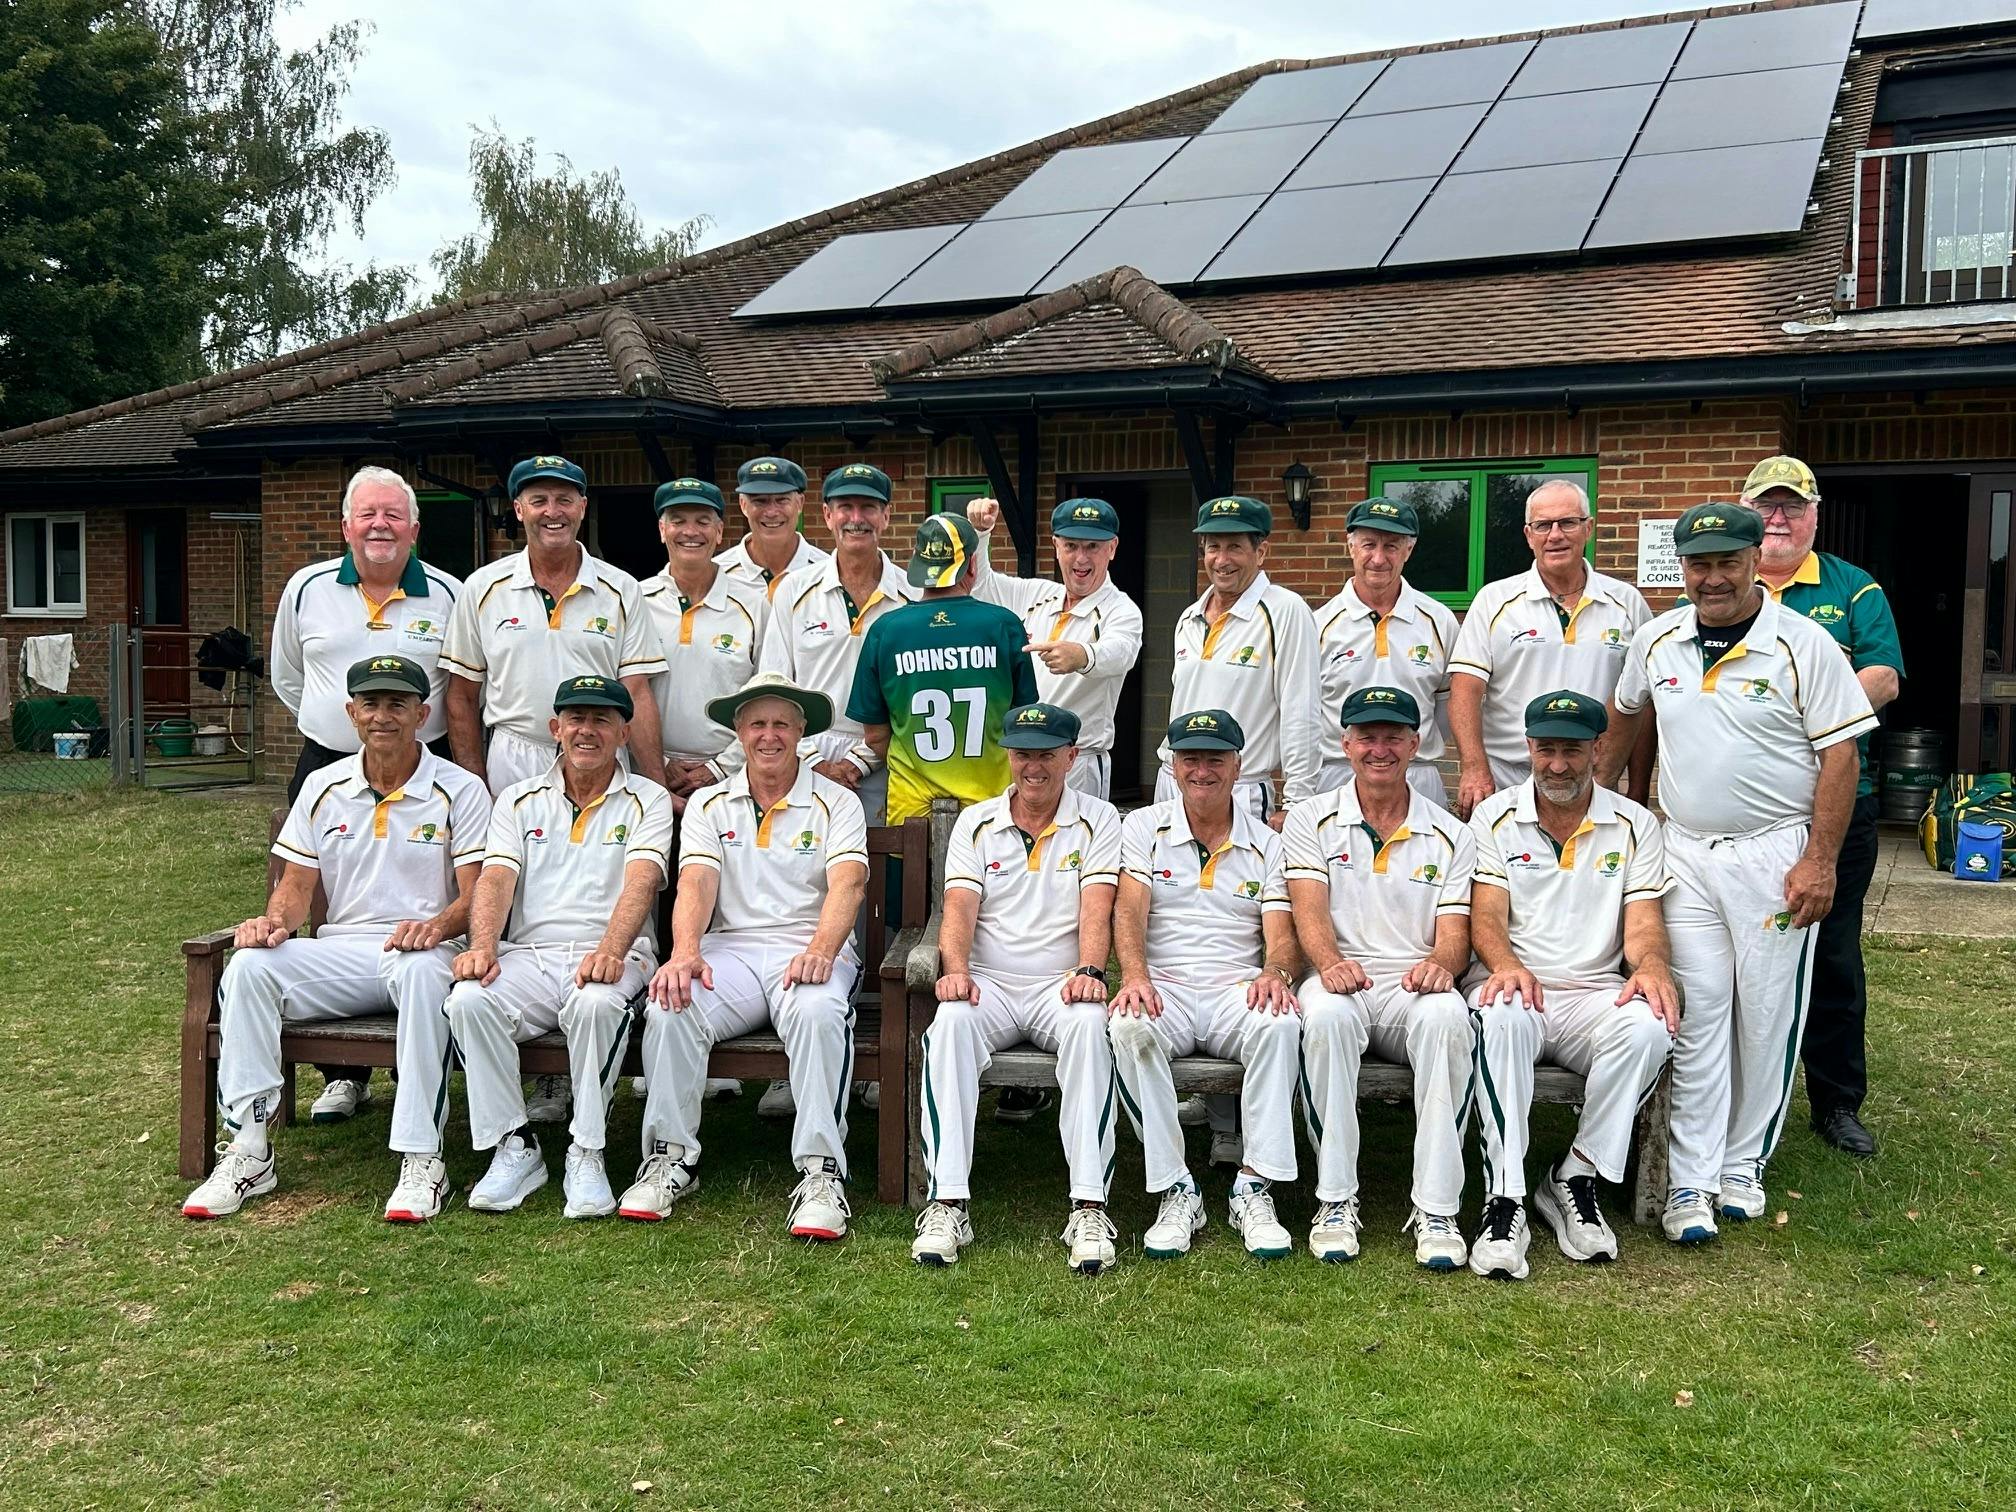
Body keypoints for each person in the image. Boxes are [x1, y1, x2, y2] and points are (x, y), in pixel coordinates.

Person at [1599, 504, 1876, 1245]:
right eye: (1699, 564)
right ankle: (1690, 1180)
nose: (1712, 578)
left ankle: (1740, 1164)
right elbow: (1627, 713)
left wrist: (1819, 859)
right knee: (1697, 1014)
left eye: (1727, 562)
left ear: (1756, 560)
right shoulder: (1658, 637)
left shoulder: (1804, 644)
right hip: (1685, 850)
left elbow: (1840, 756)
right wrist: (1614, 801)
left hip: (1772, 855)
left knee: (1764, 1016)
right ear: (1682, 566)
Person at [181, 655, 490, 1223]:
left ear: (422, 714)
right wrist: (272, 923)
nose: (382, 716)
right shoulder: (323, 786)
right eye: (370, 704)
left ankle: (423, 1158)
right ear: (351, 713)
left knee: (423, 973)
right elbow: (295, 887)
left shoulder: (460, 789)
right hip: (343, 952)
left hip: (426, 952)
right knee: (249, 967)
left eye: (398, 704)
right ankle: (250, 1148)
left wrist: (438, 927)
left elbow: (477, 895)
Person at [622, 673, 868, 1241]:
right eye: (757, 723)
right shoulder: (710, 802)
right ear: (738, 730)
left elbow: (848, 885)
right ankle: (669, 1160)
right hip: (728, 951)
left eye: (782, 723)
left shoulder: (837, 802)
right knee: (670, 1002)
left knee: (816, 1010)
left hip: (806, 948)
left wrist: (821, 950)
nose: (769, 735)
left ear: (802, 731)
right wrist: (684, 952)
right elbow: (696, 883)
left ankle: (821, 1173)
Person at [269, 465, 465, 1121]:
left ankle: (420, 1055)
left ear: (414, 526)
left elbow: (463, 686)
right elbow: (289, 678)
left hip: (423, 759)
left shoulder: (447, 594)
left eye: (392, 515)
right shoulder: (306, 589)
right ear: (346, 525)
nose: (379, 525)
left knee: (427, 907)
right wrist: (343, 732)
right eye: (367, 514)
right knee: (318, 913)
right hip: (329, 758)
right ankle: (342, 1072)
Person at [1466, 690, 1679, 1281]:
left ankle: (1573, 1176)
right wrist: (1506, 964)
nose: (1557, 764)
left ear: (1598, 749)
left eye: (1572, 750)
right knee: (1501, 1013)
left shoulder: (1635, 824)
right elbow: (1485, 917)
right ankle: (1503, 1199)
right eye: (1546, 749)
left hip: (1592, 994)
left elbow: (1642, 924)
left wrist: (1653, 965)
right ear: (1528, 748)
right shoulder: (1495, 816)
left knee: (1650, 1024)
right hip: (1517, 984)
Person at [444, 675, 673, 1219]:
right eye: (576, 719)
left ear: (624, 732)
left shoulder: (649, 798)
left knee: (597, 1002)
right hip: (531, 955)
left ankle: (586, 1151)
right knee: (469, 999)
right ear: (556, 728)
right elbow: (496, 880)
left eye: (601, 720)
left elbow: (641, 881)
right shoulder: (518, 800)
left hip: (619, 954)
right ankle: (514, 1147)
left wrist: (611, 950)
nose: (586, 730)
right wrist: (483, 948)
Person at [911, 702, 1123, 1272]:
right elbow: (958, 908)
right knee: (949, 1026)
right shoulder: (976, 823)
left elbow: (1096, 907)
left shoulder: (1100, 820)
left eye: (1047, 754)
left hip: (1061, 985)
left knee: (1089, 1027)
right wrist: (954, 970)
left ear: (1071, 757)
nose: (1034, 766)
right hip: (992, 986)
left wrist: (1089, 971)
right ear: (1009, 756)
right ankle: (946, 1201)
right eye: (1024, 753)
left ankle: (1089, 1205)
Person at [1744, 454, 1903, 1159]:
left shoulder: (1853, 589)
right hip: (1747, 818)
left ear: (1814, 515)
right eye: (1766, 506)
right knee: (1737, 957)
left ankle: (1836, 1103)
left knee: (1832, 955)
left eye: (1792, 506)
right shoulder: (1720, 583)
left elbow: (1883, 678)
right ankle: (1736, 1091)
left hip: (1840, 808)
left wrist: (1801, 716)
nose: (1778, 518)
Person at [1284, 687, 1476, 1267]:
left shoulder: (1452, 833)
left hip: (1414, 985)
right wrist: (1329, 963)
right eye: (1367, 736)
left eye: (1393, 736)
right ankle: (1336, 1199)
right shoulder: (1309, 820)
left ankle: (1437, 1207)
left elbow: (1455, 934)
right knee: (1324, 1021)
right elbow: (1308, 911)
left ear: (1416, 744)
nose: (1380, 749)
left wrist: (1441, 966)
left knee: (1448, 1018)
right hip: (1338, 974)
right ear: (1346, 744)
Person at [1109, 709, 1303, 1260]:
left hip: (1232, 989)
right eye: (1190, 758)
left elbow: (1282, 936)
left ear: (1238, 765)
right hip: (1163, 986)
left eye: (1214, 757)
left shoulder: (1268, 843)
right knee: (1126, 1026)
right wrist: (1137, 976)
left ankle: (1254, 1185)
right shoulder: (1142, 828)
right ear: (1172, 765)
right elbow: (1129, 911)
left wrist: (1276, 974)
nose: (1202, 769)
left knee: (1281, 1022)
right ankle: (1176, 1190)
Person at [754, 462, 911, 1120]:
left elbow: (908, 698)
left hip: (890, 768)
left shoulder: (910, 597)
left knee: (890, 905)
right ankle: (800, 1055)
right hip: (808, 767)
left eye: (868, 508)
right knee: (815, 897)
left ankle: (880, 1055)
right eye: (844, 508)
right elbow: (774, 688)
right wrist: (816, 758)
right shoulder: (793, 593)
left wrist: (865, 763)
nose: (855, 519)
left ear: (885, 517)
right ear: (826, 516)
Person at [440, 454, 668, 797]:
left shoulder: (622, 589)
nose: (553, 512)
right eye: (539, 501)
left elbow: (636, 692)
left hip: (600, 751)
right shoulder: (482, 588)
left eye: (564, 500)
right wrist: (473, 789)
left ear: (582, 507)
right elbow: (461, 696)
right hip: (514, 756)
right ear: (519, 509)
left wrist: (657, 788)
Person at [1448, 481, 1651, 819]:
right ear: (1529, 535)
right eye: (1543, 525)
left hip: (1592, 781)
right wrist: (1473, 767)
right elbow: (1465, 688)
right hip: (1509, 778)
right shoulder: (1494, 600)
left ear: (1588, 528)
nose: (1555, 535)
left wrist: (1639, 787)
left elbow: (1641, 704)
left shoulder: (1627, 603)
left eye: (1568, 522)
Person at [849, 511, 1038, 824]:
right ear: (972, 566)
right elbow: (1022, 722)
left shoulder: (886, 630)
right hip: (990, 806)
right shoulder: (1004, 624)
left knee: (908, 872)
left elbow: (875, 736)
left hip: (910, 810)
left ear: (919, 566)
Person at [959, 495, 1144, 800]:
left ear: (1112, 548)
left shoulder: (1121, 610)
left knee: (1075, 847)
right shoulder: (1038, 594)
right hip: (1021, 755)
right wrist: (980, 534)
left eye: (1092, 547)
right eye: (1071, 546)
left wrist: (1082, 655)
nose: (1081, 559)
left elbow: (1121, 653)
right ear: (1056, 546)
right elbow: (980, 588)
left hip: (1076, 761)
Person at [1157, 496, 1321, 828]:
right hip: (1173, 782)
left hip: (1240, 790)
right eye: (1213, 546)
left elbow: (1301, 710)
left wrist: (1298, 800)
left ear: (1261, 553)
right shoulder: (1189, 617)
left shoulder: (1286, 611)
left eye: (1235, 547)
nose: (1222, 559)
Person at [1312, 499, 1460, 804]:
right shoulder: (1318, 625)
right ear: (1351, 547)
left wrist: (1405, 749)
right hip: (1338, 776)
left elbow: (1447, 707)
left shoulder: (1439, 620)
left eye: (1391, 546)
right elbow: (1306, 714)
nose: (1378, 559)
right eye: (1369, 545)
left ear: (1408, 550)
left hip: (1417, 775)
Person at [639, 476, 768, 810]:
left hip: (734, 777)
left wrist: (720, 767)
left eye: (702, 521)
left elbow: (767, 692)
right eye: (678, 521)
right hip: (647, 774)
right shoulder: (635, 600)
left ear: (720, 532)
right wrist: (659, 764)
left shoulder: (755, 605)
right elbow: (625, 691)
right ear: (661, 530)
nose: (691, 532)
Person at [715, 456, 829, 599]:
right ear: (743, 505)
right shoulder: (716, 575)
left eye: (782, 500)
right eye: (760, 501)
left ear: (800, 503)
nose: (771, 512)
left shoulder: (829, 574)